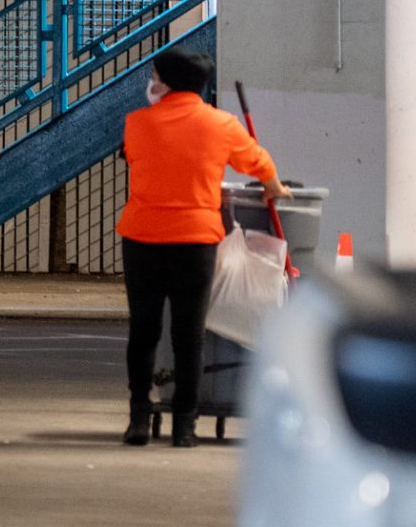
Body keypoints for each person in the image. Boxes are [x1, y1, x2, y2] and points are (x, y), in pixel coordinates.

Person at [118, 50, 290, 448]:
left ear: (166, 82)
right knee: (188, 335)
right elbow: (259, 162)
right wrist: (273, 184)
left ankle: (139, 420)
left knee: (144, 332)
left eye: (156, 75)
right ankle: (184, 426)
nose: (152, 81)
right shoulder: (222, 125)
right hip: (194, 241)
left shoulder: (137, 123)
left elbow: (137, 156)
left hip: (142, 238)